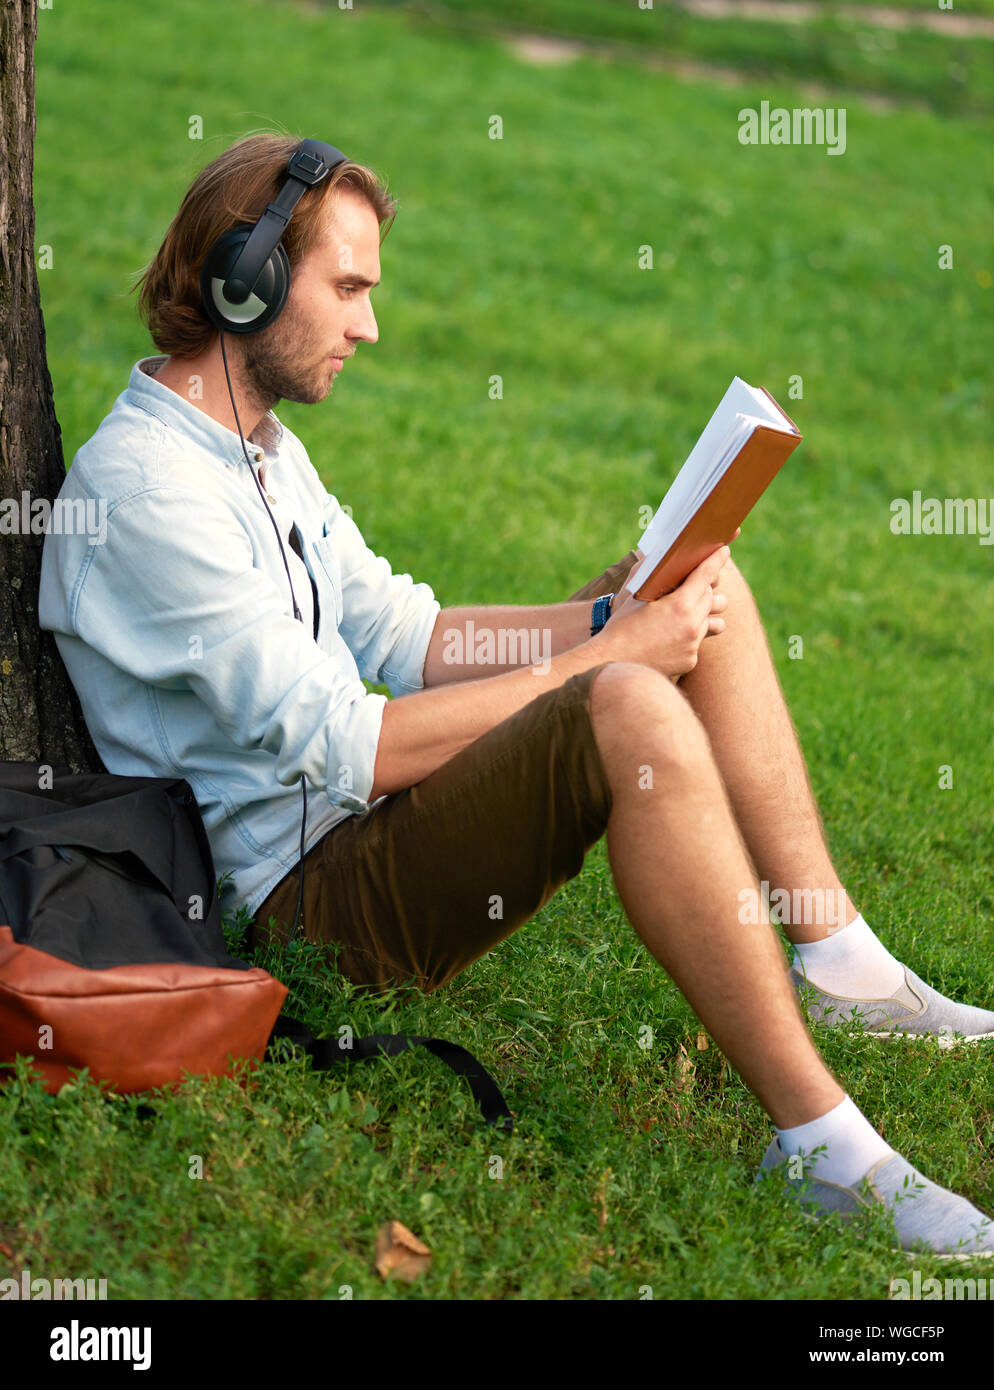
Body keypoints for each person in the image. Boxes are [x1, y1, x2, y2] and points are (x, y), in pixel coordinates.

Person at [39, 133, 994, 1258]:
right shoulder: (148, 490)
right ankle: (824, 1147)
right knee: (628, 705)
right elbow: (355, 743)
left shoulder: (254, 447)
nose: (368, 326)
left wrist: (598, 616)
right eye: (347, 288)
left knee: (700, 587)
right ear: (243, 277)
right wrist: (608, 659)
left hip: (360, 833)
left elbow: (405, 631)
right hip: (292, 909)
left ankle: (843, 965)